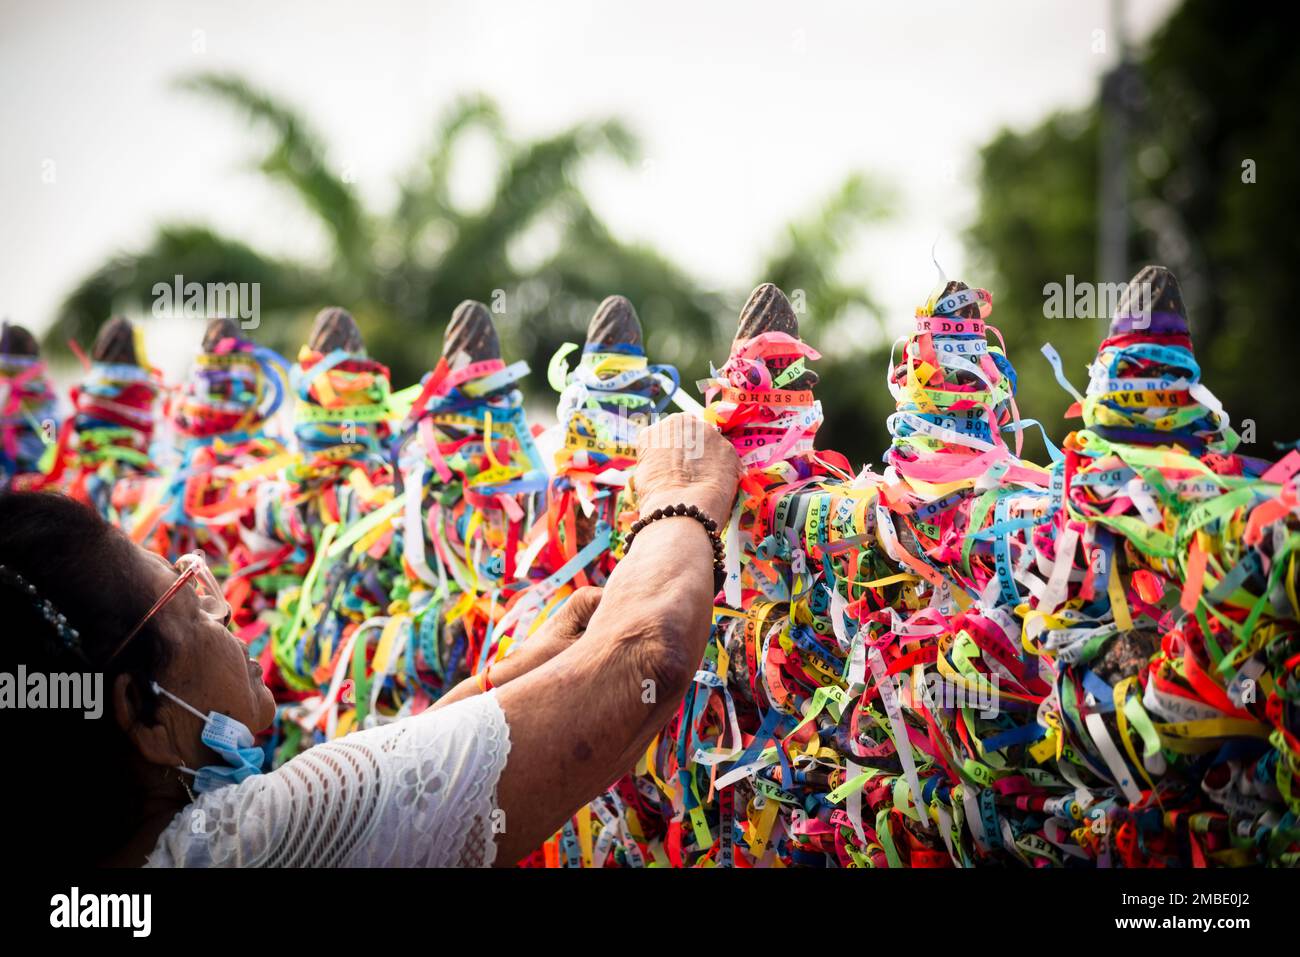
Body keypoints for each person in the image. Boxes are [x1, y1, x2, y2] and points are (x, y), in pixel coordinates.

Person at [0, 413, 741, 867]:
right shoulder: (238, 848)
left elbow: (390, 806)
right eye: (187, 595)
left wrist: (522, 675)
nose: (220, 605)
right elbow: (652, 655)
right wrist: (683, 490)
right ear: (143, 711)